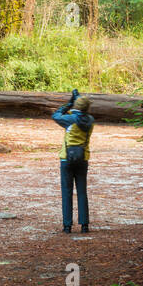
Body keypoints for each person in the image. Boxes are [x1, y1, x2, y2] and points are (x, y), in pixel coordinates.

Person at [53, 90, 95, 234]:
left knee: (67, 192)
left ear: (76, 106)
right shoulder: (90, 120)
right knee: (82, 192)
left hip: (67, 158)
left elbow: (56, 115)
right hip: (83, 158)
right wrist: (77, 105)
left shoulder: (69, 119)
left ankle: (67, 226)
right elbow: (83, 115)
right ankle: (84, 225)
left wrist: (69, 104)